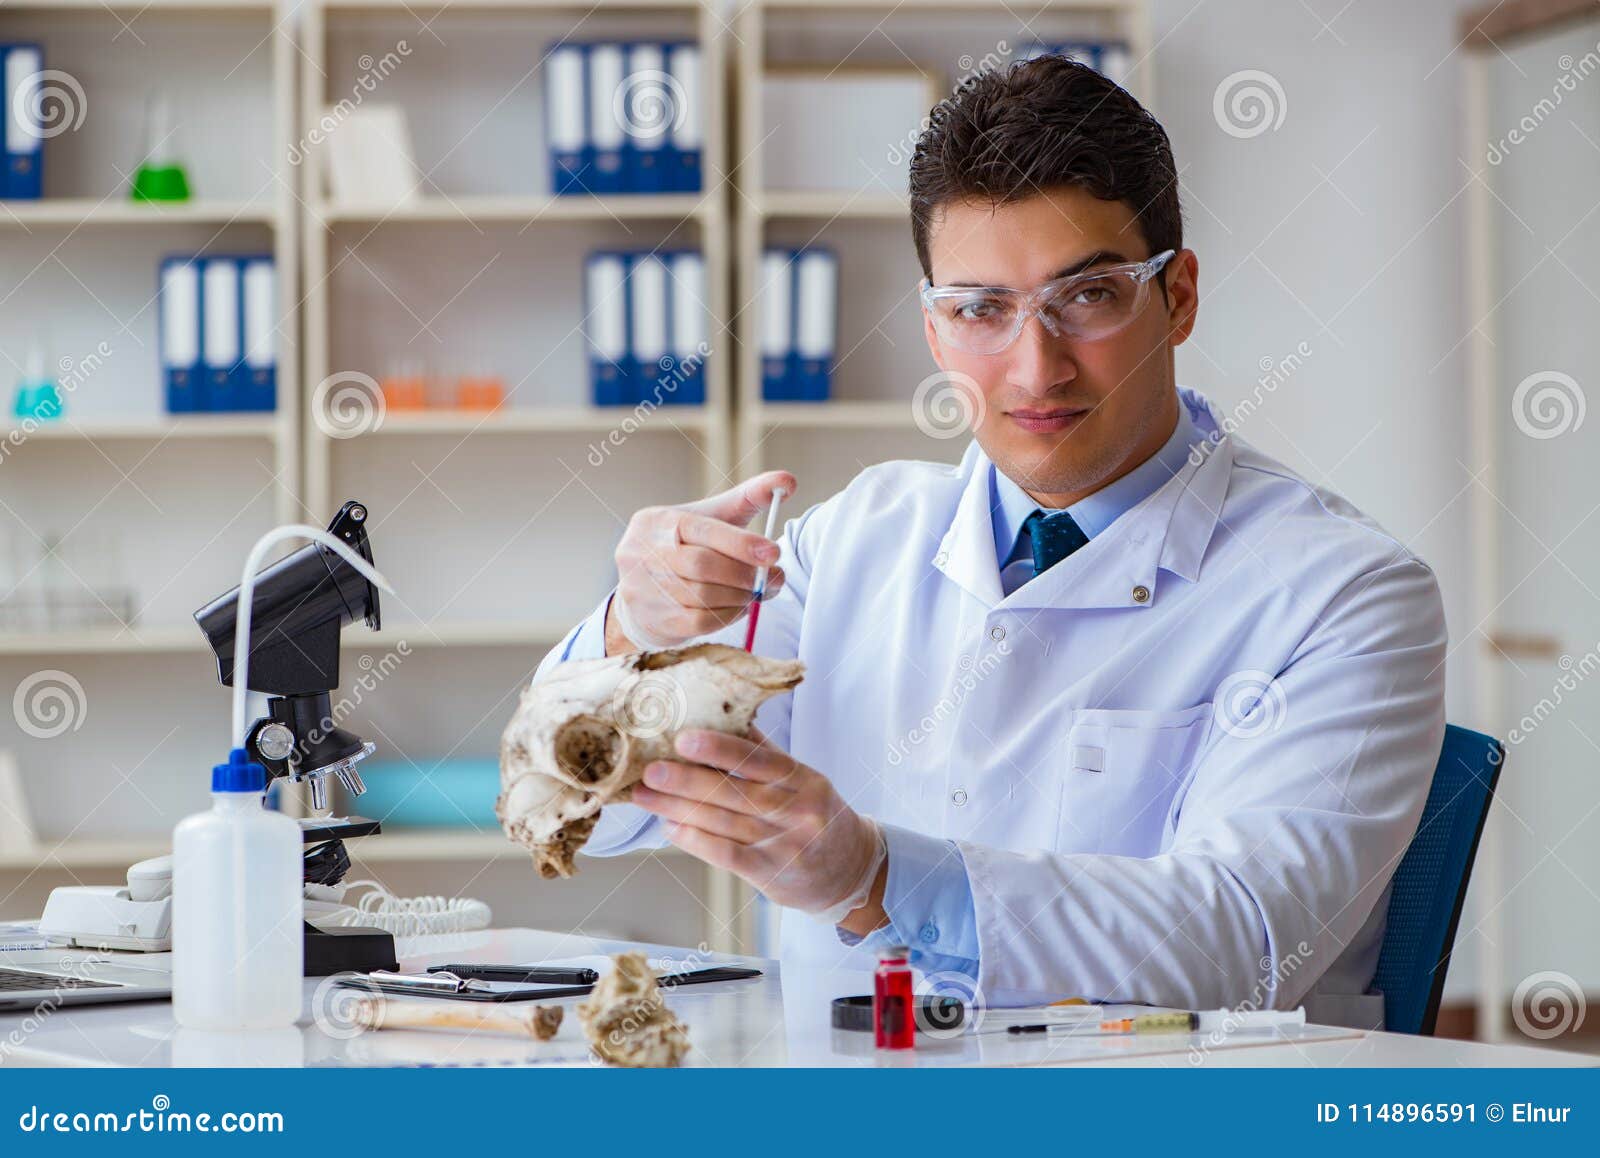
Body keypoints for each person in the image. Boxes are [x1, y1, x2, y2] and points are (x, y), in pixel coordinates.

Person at [534, 56, 1445, 1026]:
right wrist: (635, 632)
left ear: (1176, 296)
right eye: (979, 310)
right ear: (934, 330)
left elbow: (1247, 944)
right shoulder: (853, 540)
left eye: (1086, 297)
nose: (1033, 366)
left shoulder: (1344, 590)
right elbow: (580, 808)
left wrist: (880, 877)